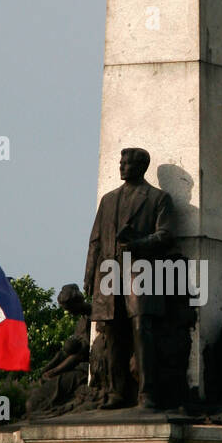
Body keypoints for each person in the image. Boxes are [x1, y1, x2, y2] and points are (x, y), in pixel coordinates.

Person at [84, 147, 176, 409]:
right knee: (112, 332)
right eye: (121, 162)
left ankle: (147, 394)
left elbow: (166, 235)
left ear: (141, 167)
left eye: (127, 163)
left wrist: (138, 244)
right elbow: (95, 241)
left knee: (141, 330)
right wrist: (89, 274)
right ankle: (116, 392)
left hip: (141, 272)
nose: (122, 166)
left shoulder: (158, 198)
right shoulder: (108, 199)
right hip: (109, 274)